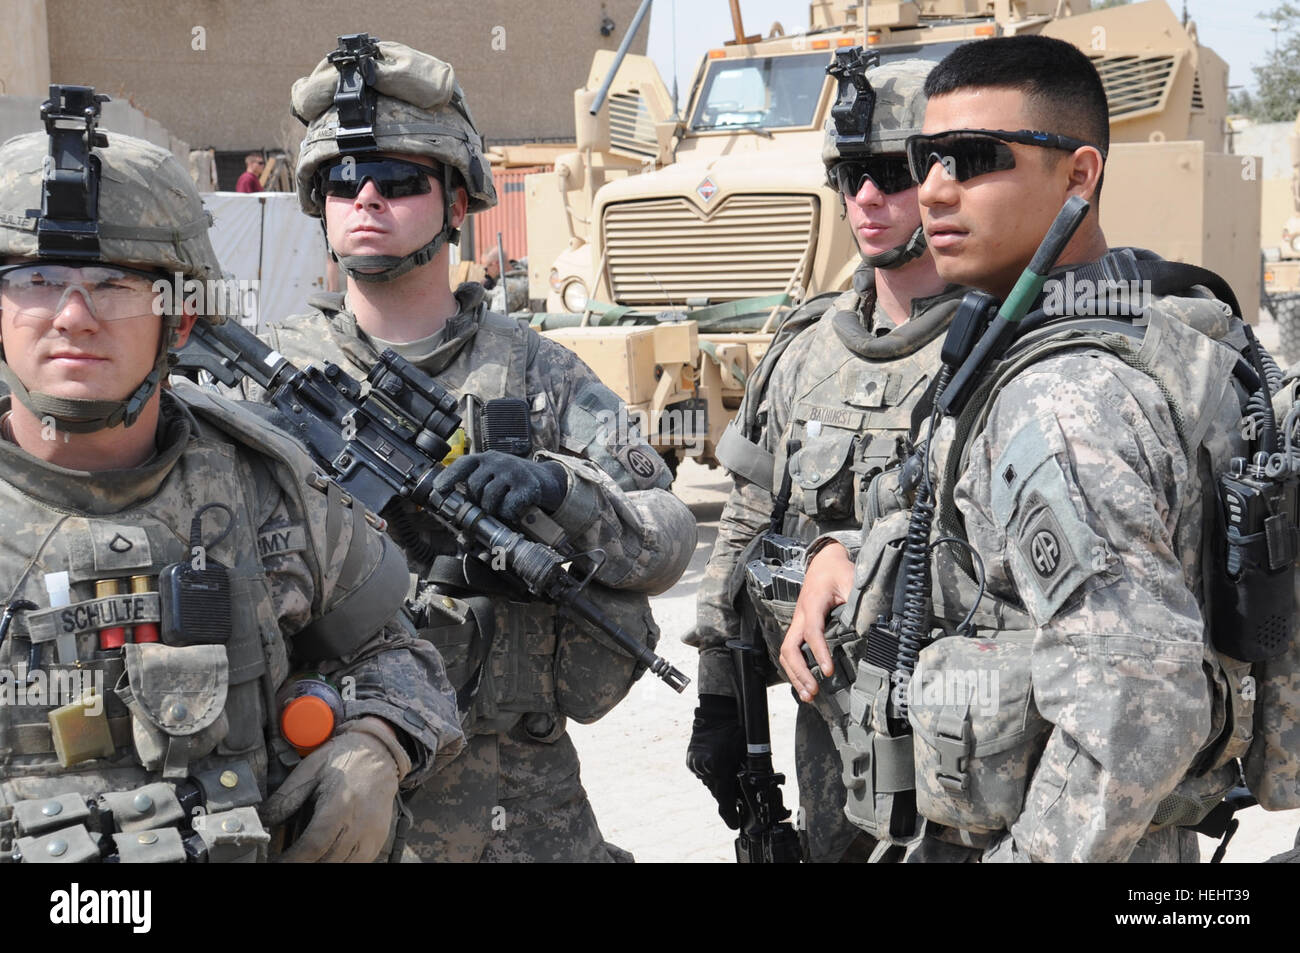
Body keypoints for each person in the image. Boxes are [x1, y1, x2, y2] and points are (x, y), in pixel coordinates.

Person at [780, 35, 1271, 862]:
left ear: (1079, 175)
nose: (935, 189)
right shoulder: (1126, 327)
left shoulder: (1064, 394)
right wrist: (857, 555)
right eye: (925, 157)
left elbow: (1139, 704)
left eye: (974, 158)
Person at [247, 35, 696, 862]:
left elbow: (666, 537)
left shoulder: (533, 368)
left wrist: (561, 488)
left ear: (458, 202)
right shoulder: (265, 383)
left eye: (401, 179)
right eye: (343, 181)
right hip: (334, 794)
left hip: (522, 807)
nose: (368, 198)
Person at [0, 88, 462, 864]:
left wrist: (378, 742)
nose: (73, 315)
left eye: (114, 284)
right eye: (39, 277)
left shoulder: (267, 486)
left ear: (179, 318)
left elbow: (400, 651)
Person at [684, 54, 961, 863]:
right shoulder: (807, 350)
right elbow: (746, 513)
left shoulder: (1006, 352)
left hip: (966, 738)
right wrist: (718, 694)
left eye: (889, 171)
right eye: (848, 174)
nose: (866, 198)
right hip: (831, 739)